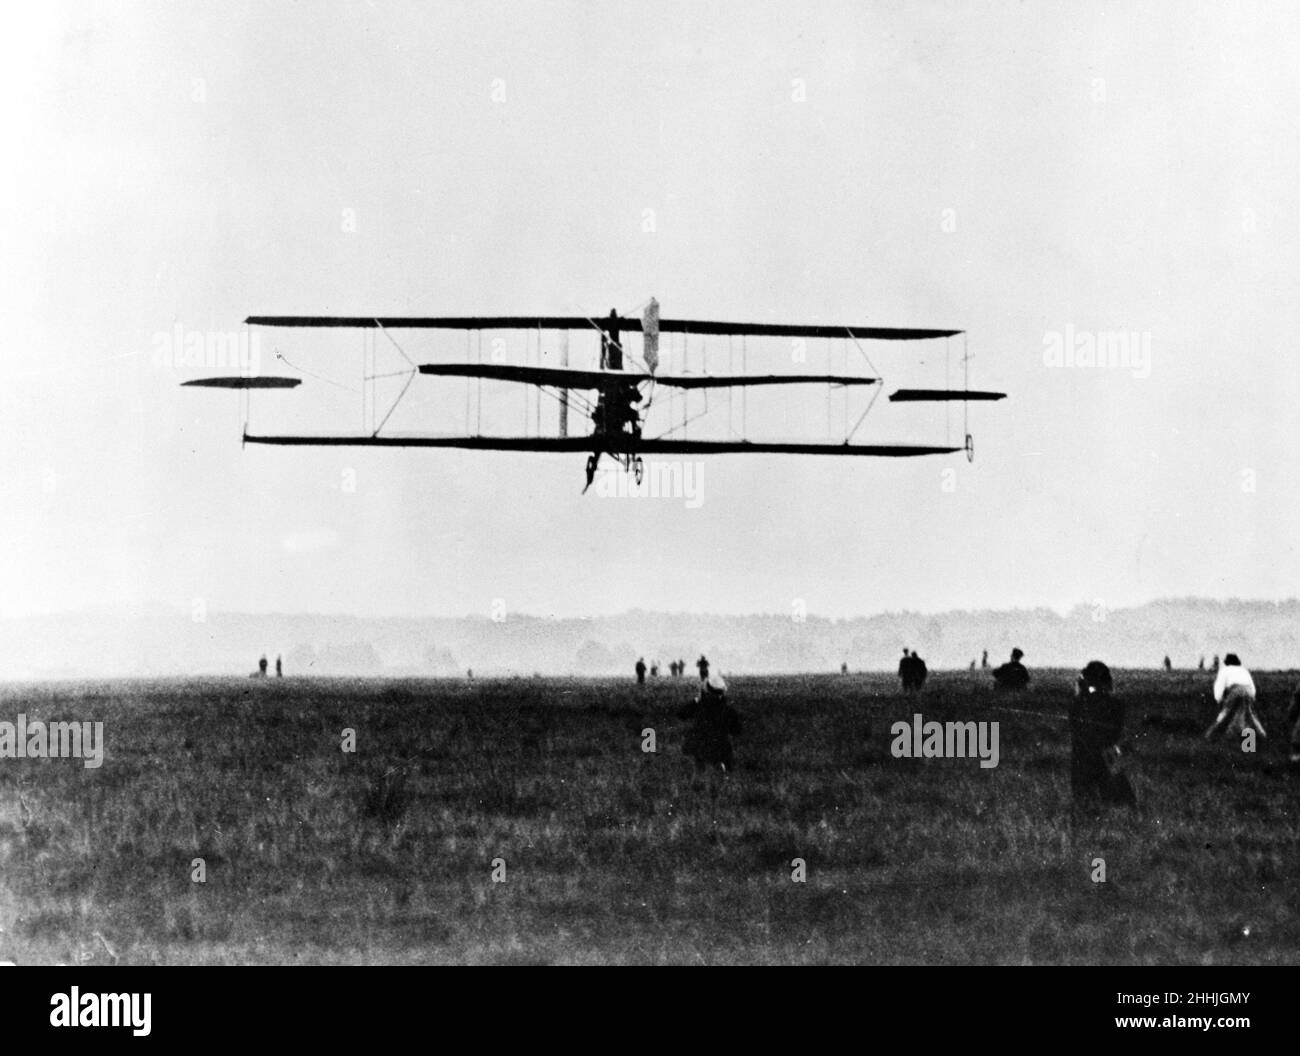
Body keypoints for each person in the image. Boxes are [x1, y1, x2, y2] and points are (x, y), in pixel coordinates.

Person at [1069, 661, 1135, 809]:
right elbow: (1119, 734)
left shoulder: (1077, 704)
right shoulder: (1116, 705)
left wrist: (1080, 691)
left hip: (1081, 765)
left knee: (1084, 805)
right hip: (1108, 761)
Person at [678, 672, 742, 772]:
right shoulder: (728, 710)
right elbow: (737, 731)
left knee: (700, 767)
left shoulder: (699, 706)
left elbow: (681, 715)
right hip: (721, 749)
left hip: (700, 748)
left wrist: (696, 700)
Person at [1205, 653, 1266, 740]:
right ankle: (1261, 735)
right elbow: (1251, 686)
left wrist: (1219, 700)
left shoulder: (1225, 670)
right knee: (1250, 715)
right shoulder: (1244, 670)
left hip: (1235, 690)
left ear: (1226, 662)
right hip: (1248, 691)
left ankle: (1211, 735)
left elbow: (1219, 686)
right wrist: (1252, 697)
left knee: (1225, 713)